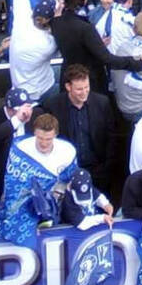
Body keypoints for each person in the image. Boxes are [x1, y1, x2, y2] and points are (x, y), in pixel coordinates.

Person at [50, 0, 142, 95]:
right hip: (89, 84)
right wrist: (138, 61)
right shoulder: (85, 28)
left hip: (68, 78)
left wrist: (96, 43)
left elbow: (75, 44)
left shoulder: (56, 23)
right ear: (84, 1)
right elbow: (108, 59)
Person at [0, 113, 78, 243]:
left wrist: (53, 199)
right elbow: (12, 185)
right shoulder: (20, 149)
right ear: (34, 133)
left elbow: (69, 182)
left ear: (55, 135)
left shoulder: (67, 152)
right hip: (22, 205)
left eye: (48, 139)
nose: (44, 143)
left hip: (52, 207)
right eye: (40, 138)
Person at [45, 64, 117, 194]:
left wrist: (106, 166)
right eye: (79, 89)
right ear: (68, 87)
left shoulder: (102, 103)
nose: (84, 92)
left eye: (87, 87)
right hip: (67, 171)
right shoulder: (53, 106)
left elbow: (111, 137)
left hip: (97, 170)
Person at [0, 86, 34, 193]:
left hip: (25, 173)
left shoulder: (35, 115)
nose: (26, 112)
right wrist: (16, 120)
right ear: (9, 108)